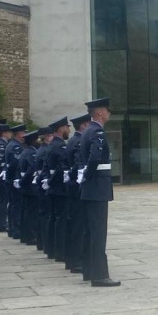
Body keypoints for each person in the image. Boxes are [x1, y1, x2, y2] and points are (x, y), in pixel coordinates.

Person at [78, 97, 120, 287]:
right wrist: (88, 175)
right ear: (101, 112)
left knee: (89, 231)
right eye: (108, 110)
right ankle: (99, 275)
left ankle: (88, 270)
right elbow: (94, 158)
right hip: (97, 188)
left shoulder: (87, 131)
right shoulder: (98, 132)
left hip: (90, 189)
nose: (109, 113)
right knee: (98, 232)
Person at [43, 116, 70, 263]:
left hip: (53, 188)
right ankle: (60, 252)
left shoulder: (51, 144)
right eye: (67, 127)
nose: (68, 130)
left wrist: (48, 181)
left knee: (53, 219)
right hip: (59, 188)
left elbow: (46, 167)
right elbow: (61, 168)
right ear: (61, 129)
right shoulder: (60, 146)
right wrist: (52, 182)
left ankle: (51, 250)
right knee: (61, 220)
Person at [65, 113, 89, 272]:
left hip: (71, 187)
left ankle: (71, 260)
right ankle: (77, 261)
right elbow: (77, 165)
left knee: (74, 224)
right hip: (76, 188)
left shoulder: (72, 140)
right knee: (79, 225)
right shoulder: (79, 141)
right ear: (83, 126)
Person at [17, 128, 43, 246]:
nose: (39, 141)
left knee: (27, 211)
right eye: (37, 139)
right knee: (32, 213)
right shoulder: (32, 153)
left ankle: (25, 235)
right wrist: (24, 182)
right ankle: (31, 236)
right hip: (29, 187)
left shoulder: (25, 151)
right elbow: (31, 170)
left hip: (25, 186)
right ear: (33, 141)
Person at [4, 125, 26, 240]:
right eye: (23, 133)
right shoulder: (16, 147)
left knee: (13, 205)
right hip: (14, 179)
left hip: (11, 179)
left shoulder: (12, 145)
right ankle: (15, 229)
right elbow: (15, 164)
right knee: (16, 205)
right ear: (19, 134)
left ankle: (12, 229)